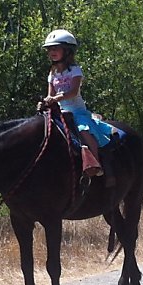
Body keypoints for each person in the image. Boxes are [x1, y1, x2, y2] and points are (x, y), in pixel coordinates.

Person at [41, 28, 113, 182]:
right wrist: (47, 100)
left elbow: (73, 92)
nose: (51, 52)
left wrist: (57, 97)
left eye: (55, 48)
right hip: (59, 112)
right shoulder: (52, 74)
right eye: (49, 49)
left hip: (76, 112)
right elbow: (50, 93)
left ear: (67, 51)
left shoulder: (75, 70)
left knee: (84, 132)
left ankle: (94, 164)